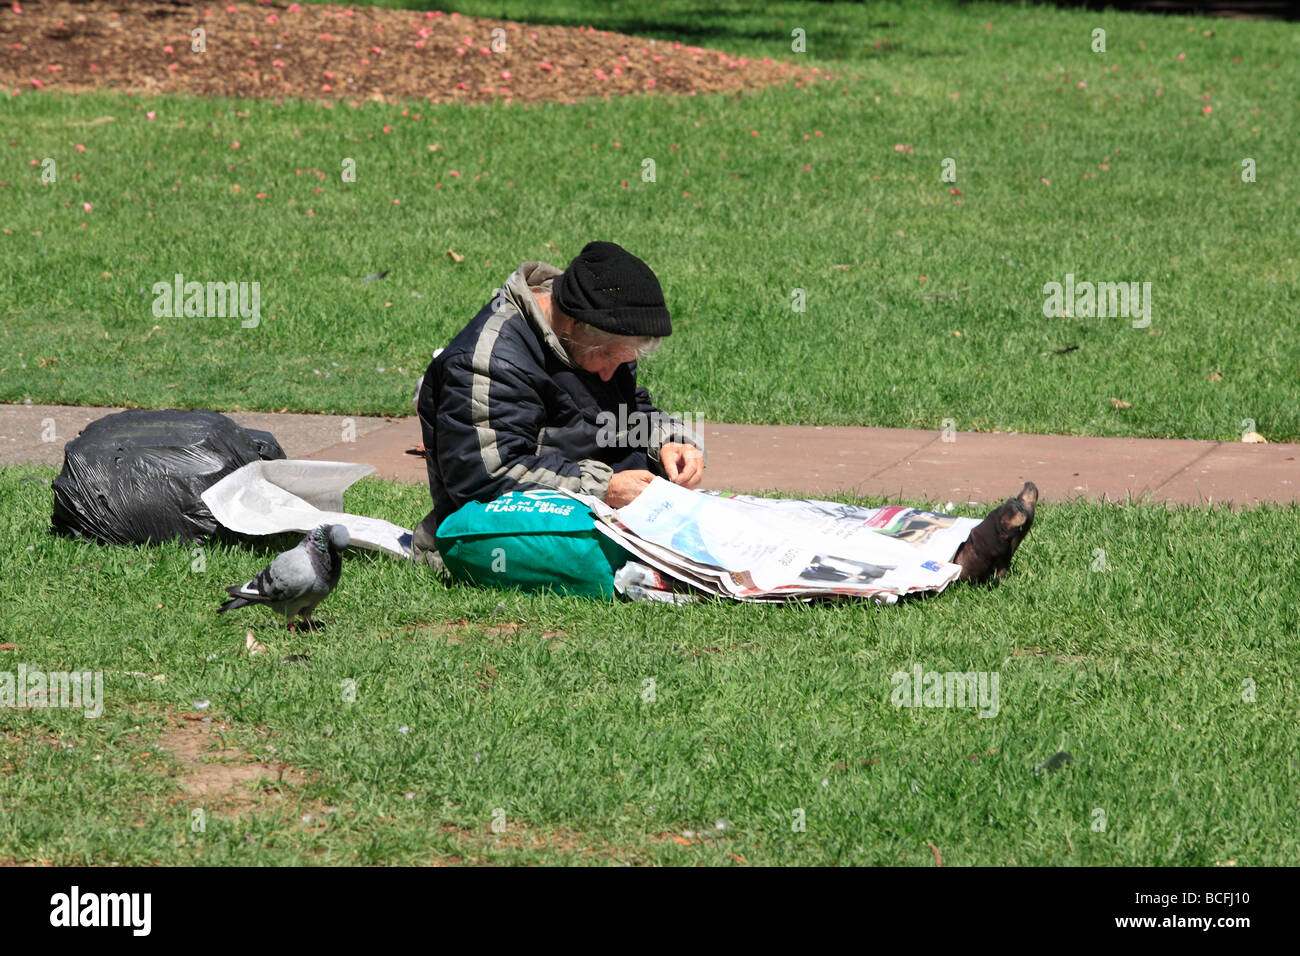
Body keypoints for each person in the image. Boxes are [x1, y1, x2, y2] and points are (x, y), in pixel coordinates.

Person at [412, 241, 705, 569]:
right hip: (516, 537)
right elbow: (485, 481)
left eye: (623, 360)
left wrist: (667, 441)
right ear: (571, 323)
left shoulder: (597, 335)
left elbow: (629, 409)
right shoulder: (487, 362)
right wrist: (603, 487)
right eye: (608, 356)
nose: (612, 371)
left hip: (601, 519)